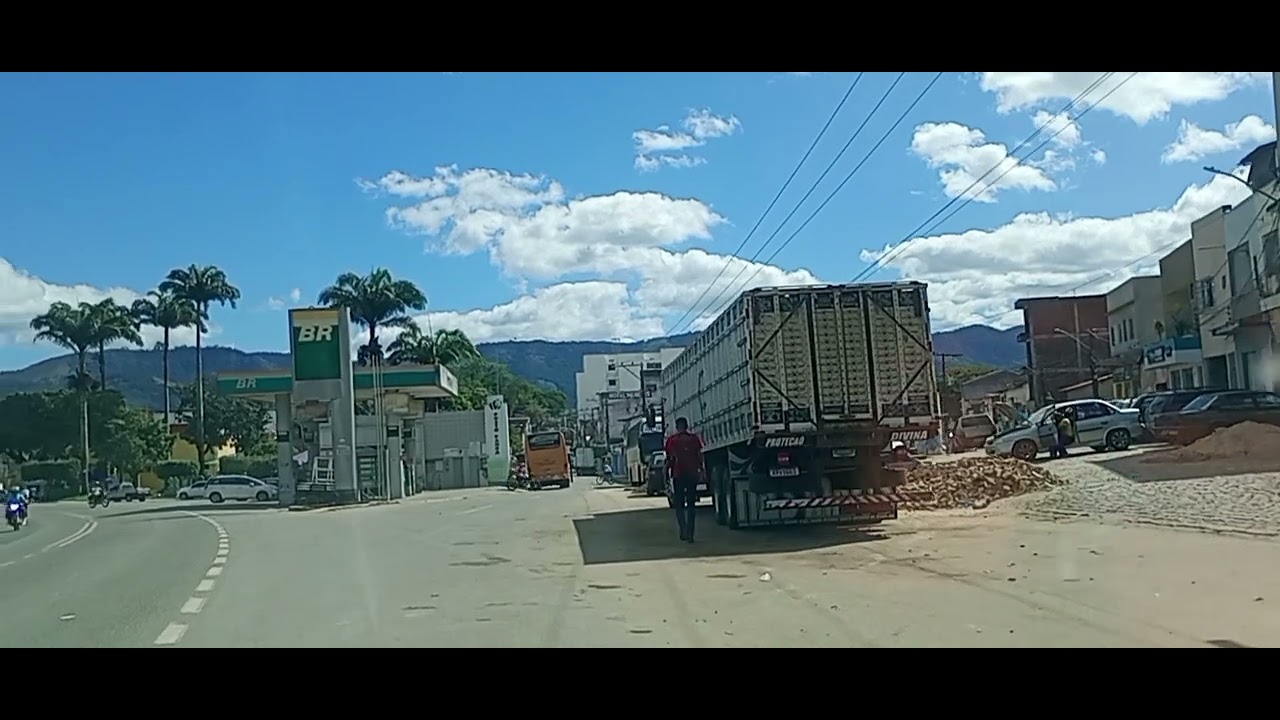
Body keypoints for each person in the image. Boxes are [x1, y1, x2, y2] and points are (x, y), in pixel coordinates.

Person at [663, 417, 705, 543]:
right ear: (687, 426)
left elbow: (670, 459)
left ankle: (683, 530)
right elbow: (699, 456)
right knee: (691, 505)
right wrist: (701, 471)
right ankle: (691, 533)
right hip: (692, 475)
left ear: (677, 427)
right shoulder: (694, 439)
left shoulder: (672, 440)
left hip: (678, 475)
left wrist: (666, 474)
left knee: (679, 505)